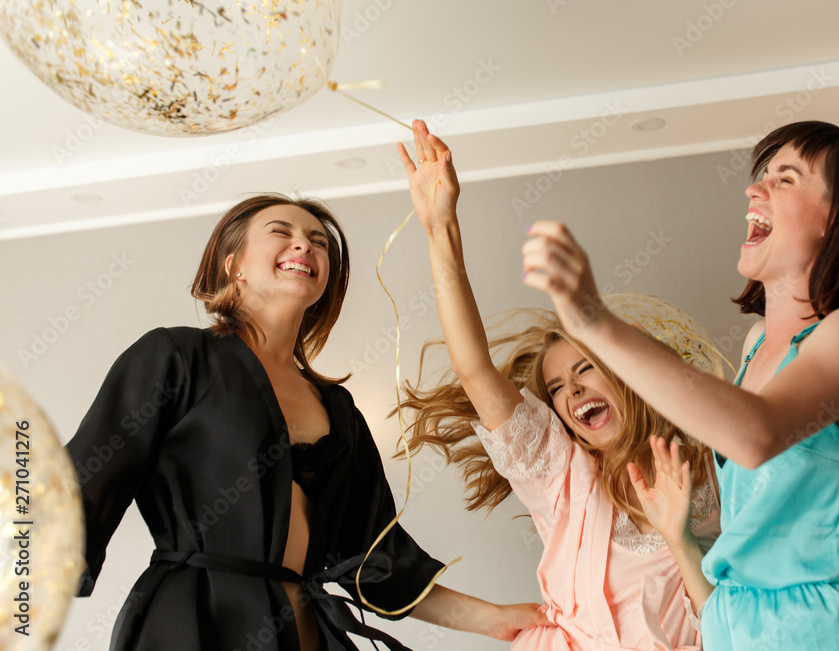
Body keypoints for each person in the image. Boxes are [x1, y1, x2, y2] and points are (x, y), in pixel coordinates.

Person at [66, 193, 550, 651]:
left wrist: (498, 619)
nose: (305, 244)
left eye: (319, 241)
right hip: (192, 622)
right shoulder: (176, 356)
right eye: (282, 232)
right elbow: (79, 487)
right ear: (233, 265)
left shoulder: (338, 409)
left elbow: (375, 558)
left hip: (302, 630)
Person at [521, 121, 839, 650]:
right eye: (763, 174)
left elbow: (754, 436)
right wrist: (682, 540)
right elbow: (743, 582)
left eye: (785, 178)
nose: (753, 189)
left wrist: (597, 322)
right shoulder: (756, 343)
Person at [396, 121, 721, 650]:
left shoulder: (703, 474)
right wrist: (440, 228)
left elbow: (728, 622)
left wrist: (681, 539)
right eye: (556, 387)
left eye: (585, 370)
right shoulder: (556, 472)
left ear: (628, 375)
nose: (570, 392)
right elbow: (475, 369)